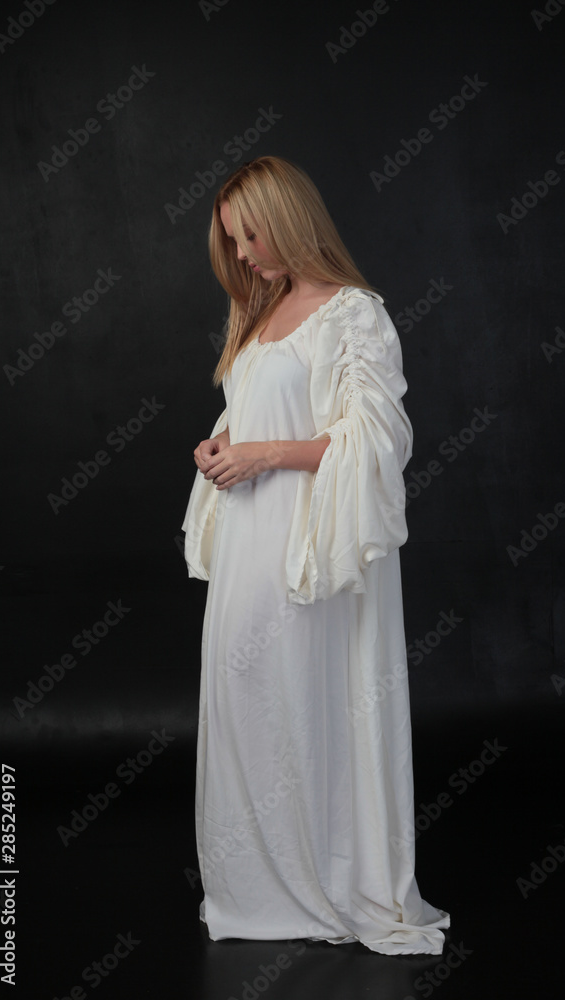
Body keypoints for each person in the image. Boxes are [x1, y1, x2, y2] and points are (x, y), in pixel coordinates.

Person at [182, 155, 450, 956]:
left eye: (252, 235)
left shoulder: (351, 313)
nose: (243, 255)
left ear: (290, 220)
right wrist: (224, 444)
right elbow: (264, 415)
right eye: (232, 241)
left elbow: (373, 437)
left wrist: (263, 455)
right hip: (246, 549)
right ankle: (254, 886)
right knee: (243, 703)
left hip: (306, 552)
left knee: (303, 702)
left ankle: (324, 882)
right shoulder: (259, 316)